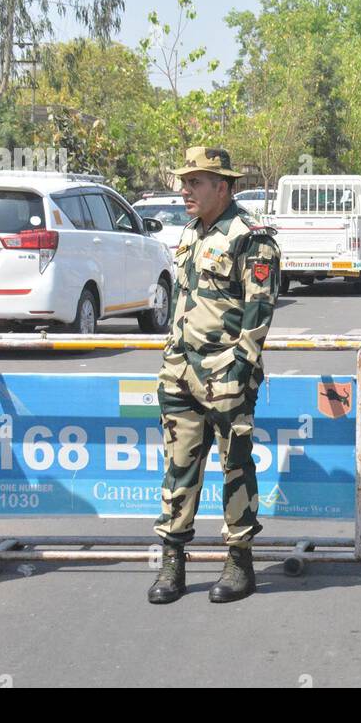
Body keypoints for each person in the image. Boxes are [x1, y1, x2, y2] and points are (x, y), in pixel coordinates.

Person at [147, 147, 282, 605]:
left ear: (222, 187)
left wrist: (240, 367)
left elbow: (259, 310)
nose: (184, 190)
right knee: (178, 467)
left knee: (235, 468)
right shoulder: (189, 233)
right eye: (184, 181)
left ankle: (239, 562)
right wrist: (171, 356)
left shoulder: (252, 237)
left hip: (226, 375)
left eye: (195, 182)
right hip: (180, 371)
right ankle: (172, 562)